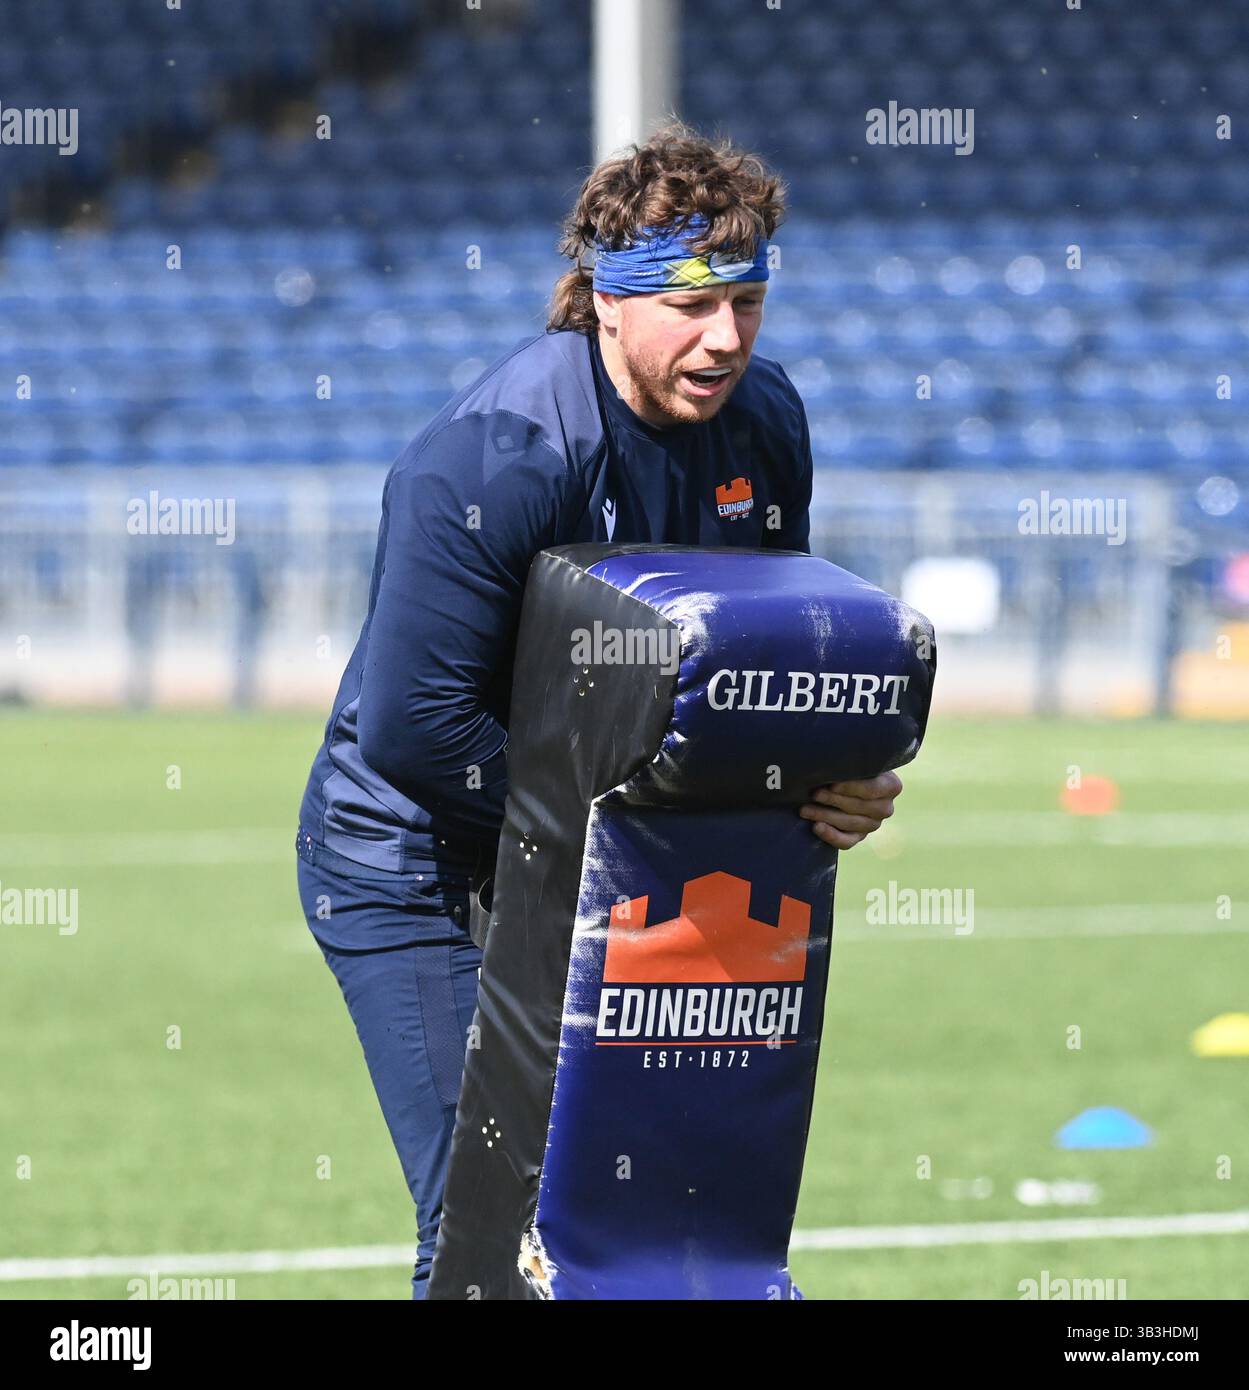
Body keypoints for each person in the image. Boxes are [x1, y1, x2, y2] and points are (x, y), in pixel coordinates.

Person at [295, 121, 903, 1298]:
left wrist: (831, 769)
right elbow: (417, 728)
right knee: (494, 1219)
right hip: (412, 862)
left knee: (646, 1212)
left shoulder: (764, 423)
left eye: (747, 301)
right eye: (690, 304)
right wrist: (615, 838)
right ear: (608, 301)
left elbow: (763, 649)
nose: (723, 337)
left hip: (610, 860)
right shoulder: (497, 455)